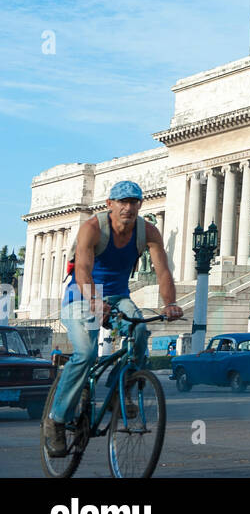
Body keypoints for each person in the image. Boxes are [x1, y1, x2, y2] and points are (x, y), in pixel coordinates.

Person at [43, 181, 183, 458]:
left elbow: (163, 271)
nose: (128, 208)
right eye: (122, 202)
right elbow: (82, 269)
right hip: (81, 296)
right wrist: (94, 300)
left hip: (118, 297)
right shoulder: (92, 228)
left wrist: (171, 303)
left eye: (133, 202)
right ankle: (56, 420)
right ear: (110, 204)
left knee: (140, 332)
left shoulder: (148, 231)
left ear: (140, 205)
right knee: (85, 354)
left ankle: (121, 390)